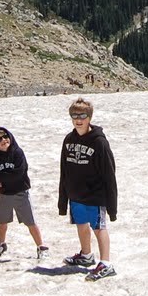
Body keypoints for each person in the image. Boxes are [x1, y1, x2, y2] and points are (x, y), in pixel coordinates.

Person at [57, 97, 117, 282]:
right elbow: (64, 170)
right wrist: (63, 199)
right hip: (75, 194)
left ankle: (105, 263)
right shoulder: (68, 140)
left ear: (89, 117)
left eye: (82, 116)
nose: (78, 119)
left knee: (98, 228)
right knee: (81, 224)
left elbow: (109, 173)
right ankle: (86, 255)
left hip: (95, 195)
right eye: (74, 116)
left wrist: (112, 206)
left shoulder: (99, 142)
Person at [0, 126, 49, 262]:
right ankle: (1, 244)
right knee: (2, 221)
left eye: (5, 137)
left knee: (30, 221)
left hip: (21, 192)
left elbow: (18, 173)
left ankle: (41, 247)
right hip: (5, 193)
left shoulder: (17, 153)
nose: (3, 140)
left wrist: (0, 177)